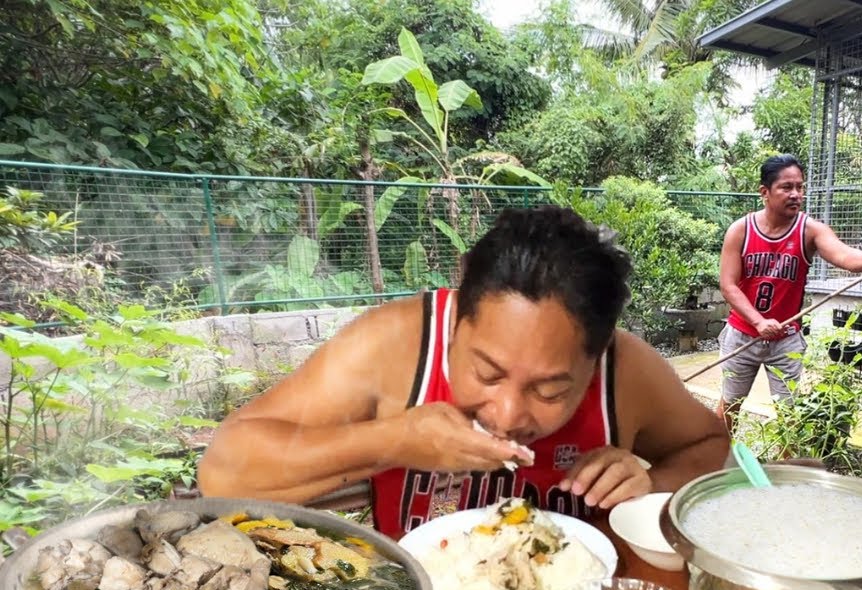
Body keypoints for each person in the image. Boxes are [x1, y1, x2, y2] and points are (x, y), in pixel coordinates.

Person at [198, 206, 730, 540]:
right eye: (487, 373)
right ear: (458, 319)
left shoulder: (625, 368)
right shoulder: (392, 345)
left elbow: (709, 443)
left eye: (549, 389)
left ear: (595, 358)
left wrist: (652, 482)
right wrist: (392, 440)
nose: (506, 414)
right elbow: (224, 474)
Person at [716, 154, 862, 435]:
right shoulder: (741, 231)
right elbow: (728, 285)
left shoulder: (809, 230)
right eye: (787, 187)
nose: (796, 194)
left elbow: (842, 254)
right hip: (742, 336)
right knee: (730, 406)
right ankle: (716, 464)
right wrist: (758, 322)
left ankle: (789, 475)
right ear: (765, 192)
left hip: (786, 341)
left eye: (800, 187)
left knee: (789, 415)